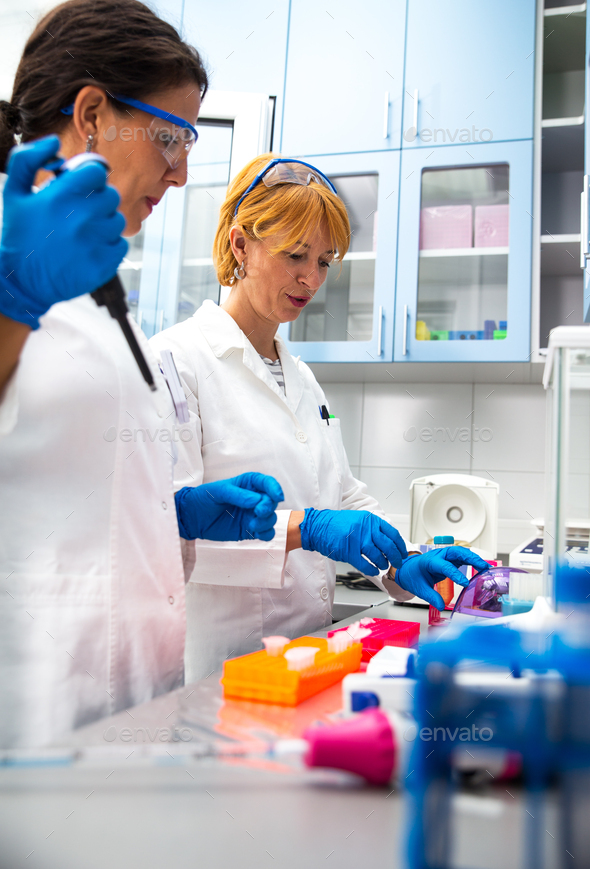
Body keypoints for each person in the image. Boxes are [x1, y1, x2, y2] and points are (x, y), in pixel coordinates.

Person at [0, 0, 283, 748]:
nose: (183, 173)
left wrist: (172, 511)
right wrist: (12, 293)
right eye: (170, 138)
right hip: (34, 711)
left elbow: (66, 469)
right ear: (93, 114)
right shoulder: (16, 259)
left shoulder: (102, 292)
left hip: (132, 705)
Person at [150, 154, 488, 680]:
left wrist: (403, 562)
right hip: (219, 665)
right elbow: (168, 533)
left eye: (326, 261)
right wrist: (305, 530)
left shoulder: (300, 376)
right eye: (295, 255)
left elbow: (343, 497)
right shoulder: (175, 360)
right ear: (240, 244)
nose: (312, 278)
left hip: (308, 658)